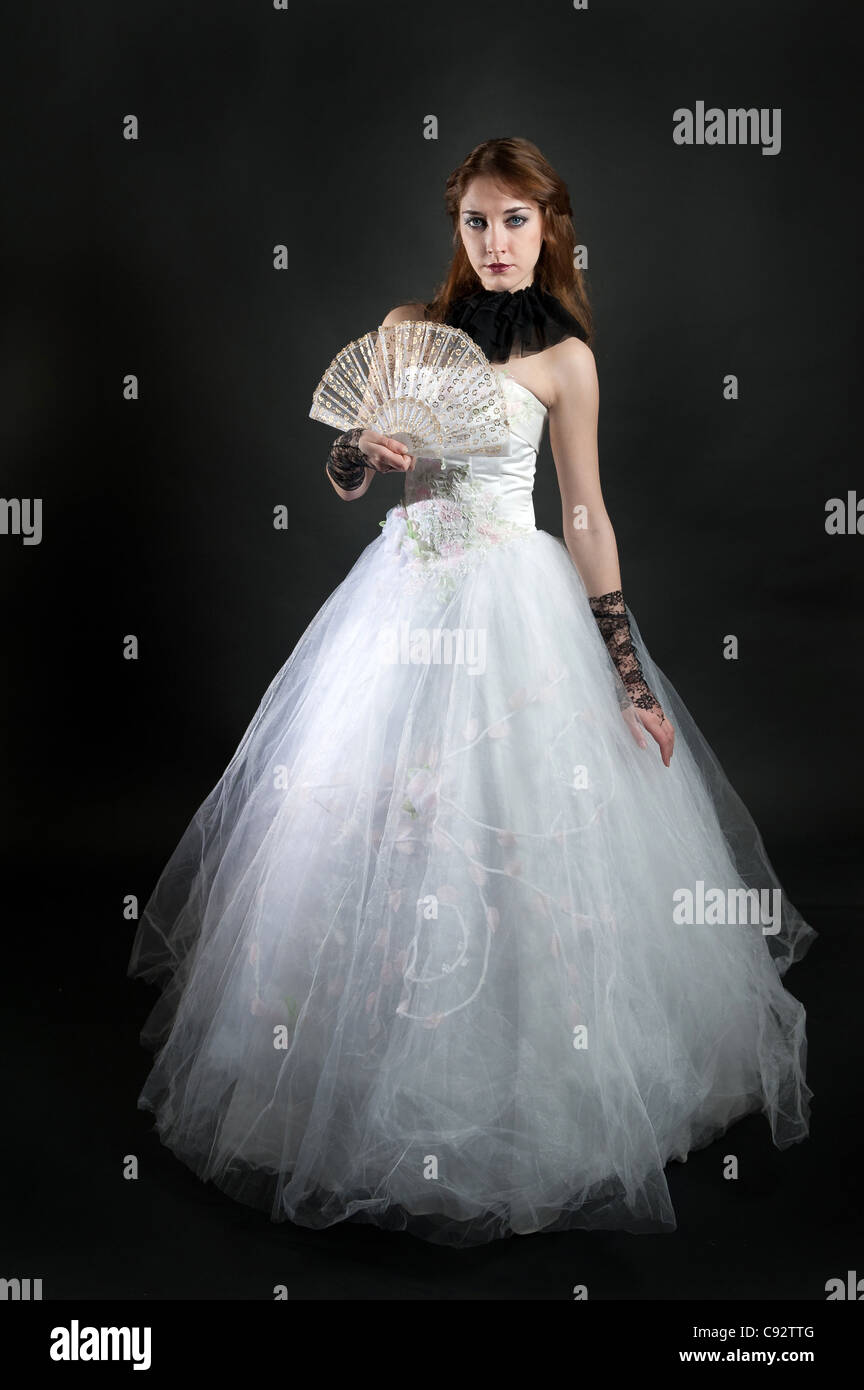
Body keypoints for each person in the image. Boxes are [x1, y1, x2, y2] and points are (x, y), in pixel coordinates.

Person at [128, 136, 815, 1247]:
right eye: (477, 222)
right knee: (379, 818)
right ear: (456, 230)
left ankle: (534, 1081)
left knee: (522, 833)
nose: (495, 244)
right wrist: (362, 446)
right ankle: (354, 1082)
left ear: (551, 229)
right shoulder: (409, 331)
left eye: (516, 222)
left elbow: (583, 511)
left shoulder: (567, 358)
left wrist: (628, 675)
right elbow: (348, 475)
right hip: (405, 593)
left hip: (516, 600)